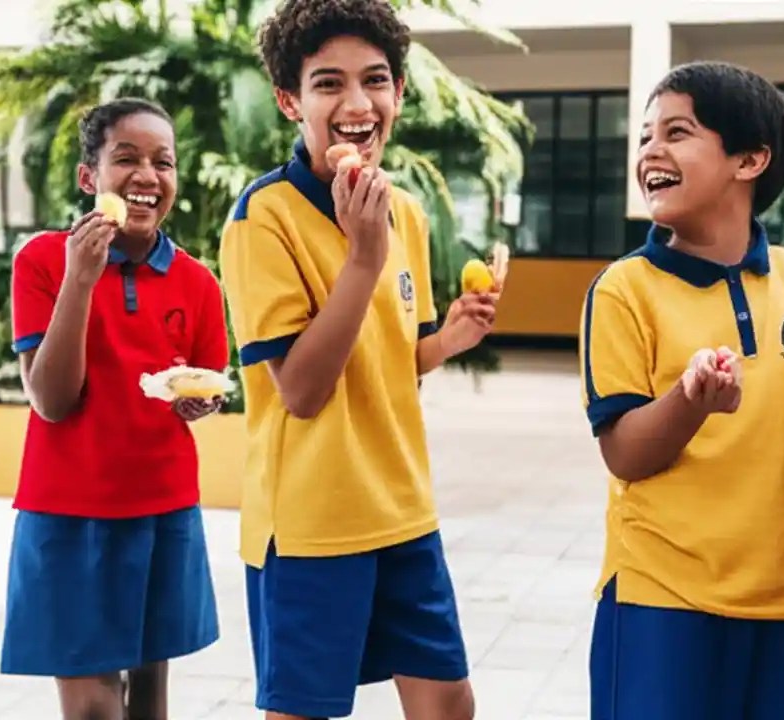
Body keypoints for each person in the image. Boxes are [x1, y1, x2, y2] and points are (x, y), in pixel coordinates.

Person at [218, 1, 498, 718]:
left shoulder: (401, 210)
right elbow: (304, 392)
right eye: (327, 84)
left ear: (398, 95)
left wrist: (450, 340)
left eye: (375, 81)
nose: (357, 103)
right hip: (311, 521)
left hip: (402, 509)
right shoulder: (264, 218)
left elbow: (394, 358)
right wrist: (362, 258)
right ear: (290, 101)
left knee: (449, 703)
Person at [578, 61, 784, 720]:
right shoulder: (624, 289)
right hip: (661, 596)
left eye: (677, 132)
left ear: (750, 159)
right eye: (645, 136)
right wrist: (689, 403)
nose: (650, 151)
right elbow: (625, 454)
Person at [1, 97, 227, 720]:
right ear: (88, 177)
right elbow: (51, 400)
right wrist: (82, 277)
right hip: (69, 512)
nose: (147, 176)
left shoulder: (198, 283)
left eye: (164, 162)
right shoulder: (43, 262)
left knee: (149, 700)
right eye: (125, 159)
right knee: (95, 707)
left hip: (163, 508)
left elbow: (206, 385)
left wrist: (199, 401)